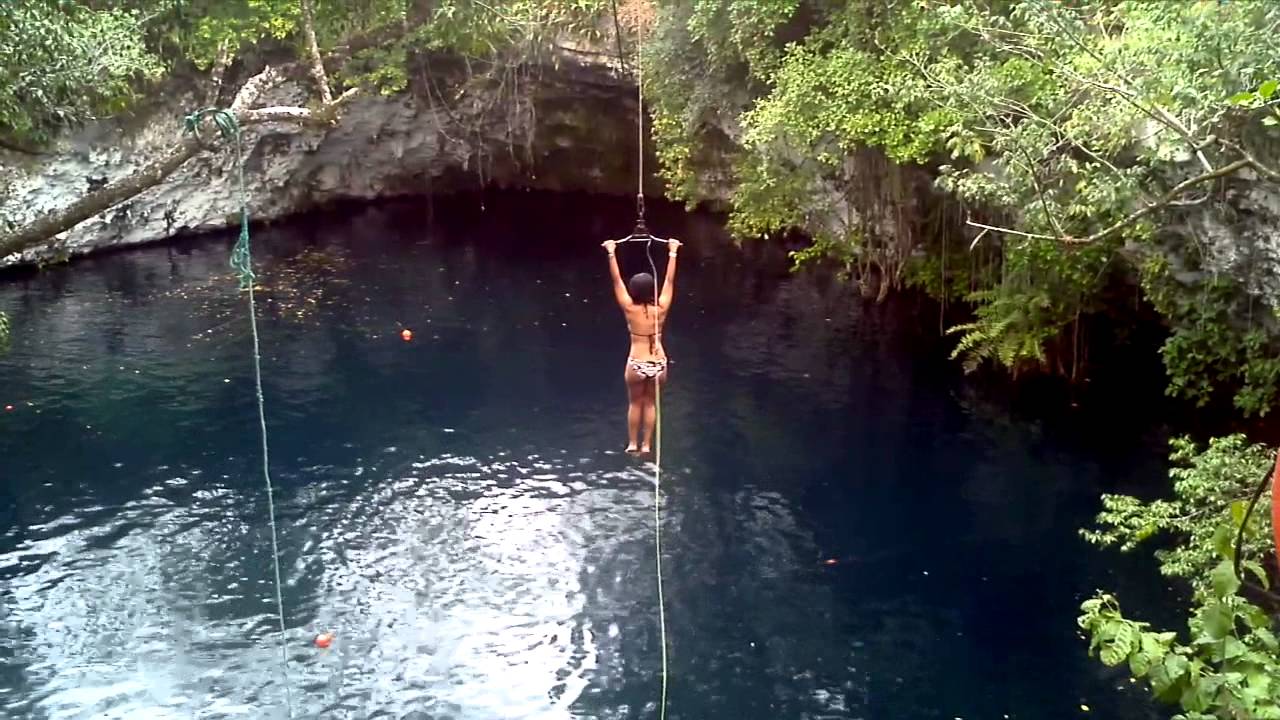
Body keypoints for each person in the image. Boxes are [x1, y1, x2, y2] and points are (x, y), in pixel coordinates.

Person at [601, 237, 682, 455]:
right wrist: (673, 252)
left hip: (637, 362)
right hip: (658, 363)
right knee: (651, 404)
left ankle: (632, 443)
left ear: (634, 291)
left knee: (635, 403)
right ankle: (646, 444)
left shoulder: (630, 308)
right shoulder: (661, 308)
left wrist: (611, 252)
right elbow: (669, 282)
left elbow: (617, 281)